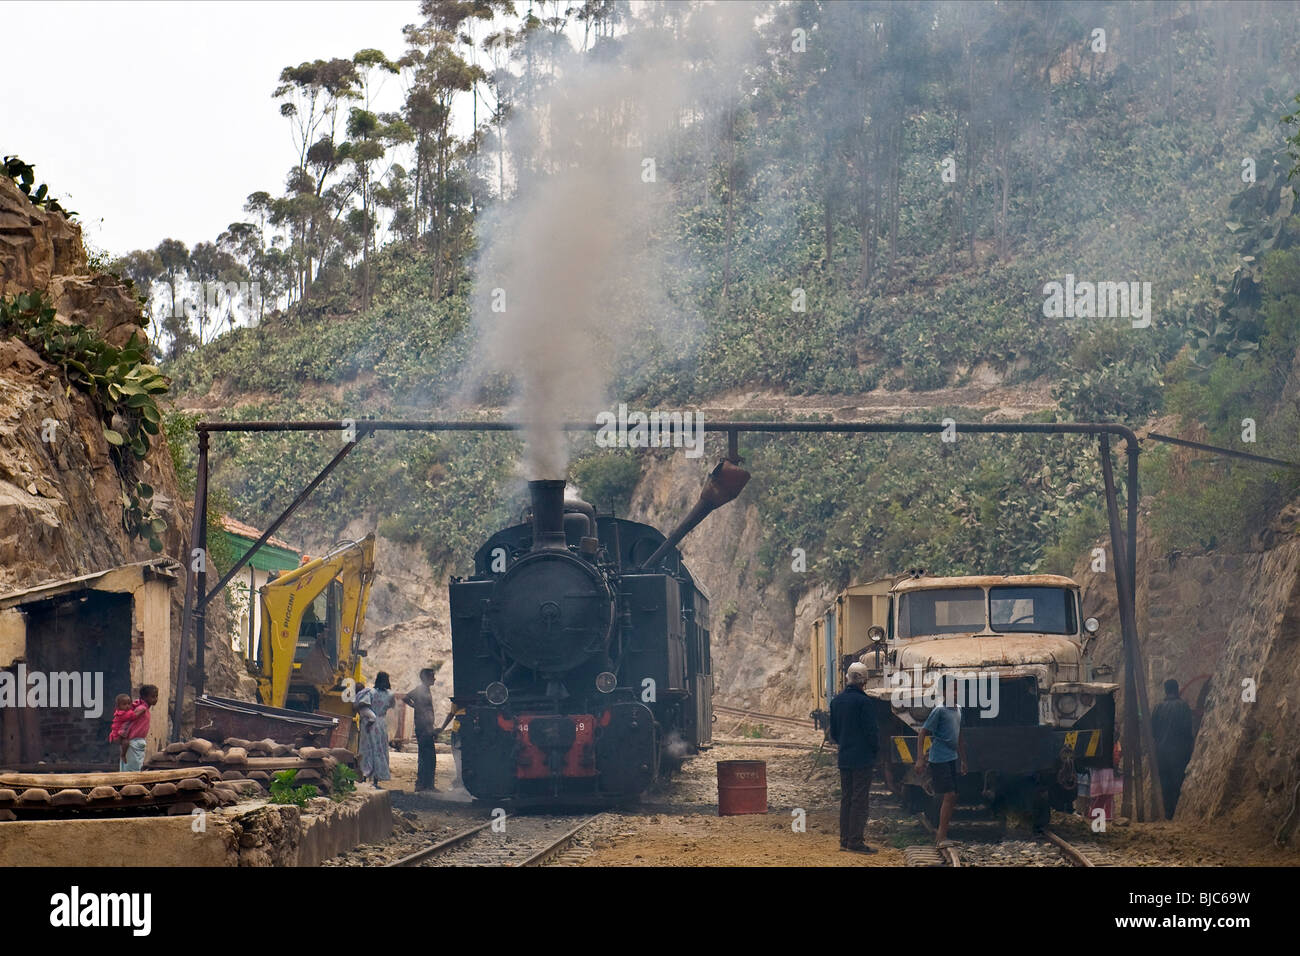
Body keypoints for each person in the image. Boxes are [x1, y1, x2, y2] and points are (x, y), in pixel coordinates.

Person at [828, 661, 878, 854]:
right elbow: (871, 732)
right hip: (862, 757)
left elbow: (834, 733)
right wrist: (875, 750)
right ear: (864, 681)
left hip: (845, 756)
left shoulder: (836, 701)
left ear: (847, 678)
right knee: (859, 800)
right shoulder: (864, 702)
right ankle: (855, 842)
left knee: (846, 799)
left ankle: (844, 840)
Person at [917, 675, 966, 847]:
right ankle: (941, 836)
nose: (955, 692)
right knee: (949, 795)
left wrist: (963, 760)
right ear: (943, 692)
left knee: (953, 796)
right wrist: (920, 759)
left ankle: (942, 834)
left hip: (952, 758)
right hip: (939, 758)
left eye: (957, 688)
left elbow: (959, 736)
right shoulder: (939, 711)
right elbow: (923, 733)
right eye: (952, 689)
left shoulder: (959, 709)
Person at [1151, 678, 1196, 820]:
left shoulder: (1158, 708)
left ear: (1165, 691)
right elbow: (1189, 731)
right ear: (1177, 690)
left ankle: (1167, 814)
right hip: (1179, 754)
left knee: (1165, 785)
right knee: (1178, 784)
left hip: (1161, 754)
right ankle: (1176, 814)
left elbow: (1152, 732)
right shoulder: (1183, 707)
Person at [355, 672, 395, 785]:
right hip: (381, 724)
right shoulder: (390, 695)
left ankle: (364, 776)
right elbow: (392, 706)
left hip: (369, 723)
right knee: (380, 750)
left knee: (366, 750)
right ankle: (376, 780)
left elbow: (363, 705)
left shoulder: (370, 693)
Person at [404, 667, 439, 792]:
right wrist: (415, 706)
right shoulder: (421, 690)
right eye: (432, 676)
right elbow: (406, 697)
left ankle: (425, 784)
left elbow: (406, 698)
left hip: (425, 727)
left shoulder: (425, 690)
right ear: (425, 678)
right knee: (427, 757)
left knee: (427, 757)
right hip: (424, 728)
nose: (434, 678)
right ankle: (424, 785)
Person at [115, 685, 158, 772]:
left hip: (135, 742)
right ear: (145, 697)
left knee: (129, 769)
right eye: (153, 696)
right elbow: (128, 720)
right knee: (132, 770)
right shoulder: (142, 709)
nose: (156, 699)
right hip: (133, 742)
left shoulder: (143, 708)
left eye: (156, 696)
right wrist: (122, 735)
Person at [108, 693, 140, 769]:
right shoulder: (122, 714)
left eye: (129, 703)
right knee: (126, 743)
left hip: (121, 733)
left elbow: (132, 708)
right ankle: (123, 755)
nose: (127, 706)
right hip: (118, 736)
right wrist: (142, 710)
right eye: (124, 704)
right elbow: (134, 716)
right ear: (118, 707)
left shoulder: (125, 711)